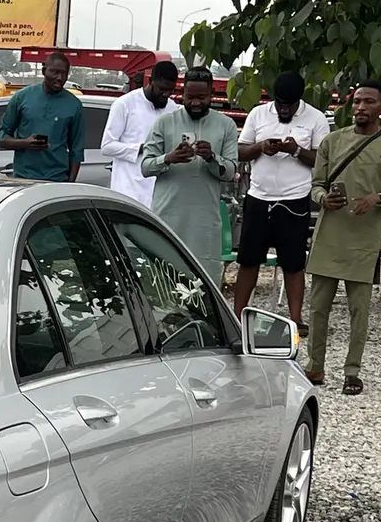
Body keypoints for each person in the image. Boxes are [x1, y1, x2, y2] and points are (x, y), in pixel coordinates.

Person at [303, 81, 381, 396]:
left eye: (369, 102)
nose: (361, 107)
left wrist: (376, 199)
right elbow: (316, 184)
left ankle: (352, 372)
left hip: (364, 236)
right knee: (318, 307)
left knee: (359, 309)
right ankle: (314, 366)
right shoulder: (333, 141)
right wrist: (322, 199)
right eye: (357, 101)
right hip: (329, 233)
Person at [232, 70, 331, 327]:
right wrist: (260, 147)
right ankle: (236, 316)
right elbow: (240, 152)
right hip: (258, 198)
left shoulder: (316, 118)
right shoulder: (258, 114)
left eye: (289, 105)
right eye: (280, 104)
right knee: (248, 260)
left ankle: (295, 319)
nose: (284, 109)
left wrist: (295, 150)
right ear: (273, 98)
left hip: (294, 200)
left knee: (293, 263)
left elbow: (323, 161)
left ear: (299, 100)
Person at [140, 66, 239, 283]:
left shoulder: (226, 125)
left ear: (212, 94)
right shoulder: (165, 122)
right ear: (182, 94)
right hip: (168, 216)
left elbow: (230, 171)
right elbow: (146, 167)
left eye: (201, 97)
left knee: (203, 284)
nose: (195, 102)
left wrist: (213, 157)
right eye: (190, 97)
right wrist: (168, 158)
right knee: (164, 281)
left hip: (204, 221)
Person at [100, 60, 179, 205]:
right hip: (128, 189)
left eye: (171, 90)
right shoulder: (124, 104)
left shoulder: (172, 107)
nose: (166, 94)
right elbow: (107, 146)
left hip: (159, 190)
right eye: (162, 89)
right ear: (150, 81)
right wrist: (142, 148)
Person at [0, 52, 86, 182]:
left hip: (57, 180)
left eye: (64, 73)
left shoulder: (74, 105)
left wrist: (70, 184)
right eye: (55, 72)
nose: (60, 78)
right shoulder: (22, 98)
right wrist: (25, 143)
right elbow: (2, 138)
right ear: (44, 71)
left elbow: (76, 151)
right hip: (24, 179)